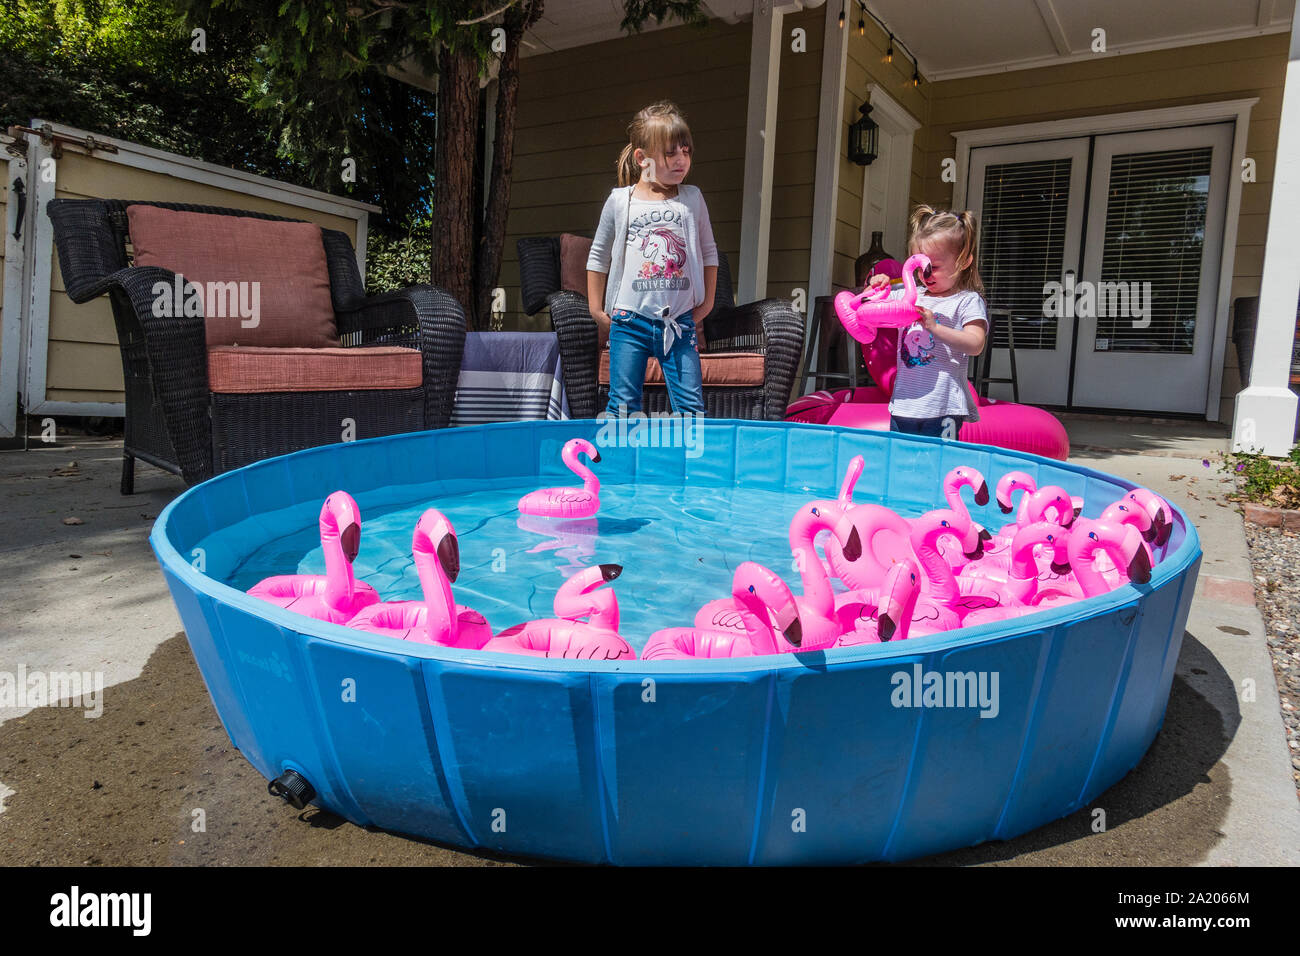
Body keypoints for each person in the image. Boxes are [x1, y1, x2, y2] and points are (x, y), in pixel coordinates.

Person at [586, 101, 717, 417]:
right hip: (629, 322)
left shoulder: (692, 198)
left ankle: (683, 466)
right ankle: (622, 466)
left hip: (679, 324)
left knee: (690, 407)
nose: (681, 160)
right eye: (671, 153)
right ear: (642, 158)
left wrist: (707, 302)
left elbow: (709, 250)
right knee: (623, 406)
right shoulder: (621, 201)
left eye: (686, 151)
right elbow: (599, 255)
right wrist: (596, 309)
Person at [864, 205, 988, 438]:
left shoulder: (966, 301)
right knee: (903, 464)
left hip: (944, 407)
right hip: (904, 404)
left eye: (934, 268)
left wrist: (935, 327)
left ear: (964, 261)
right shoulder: (910, 295)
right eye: (920, 268)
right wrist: (877, 285)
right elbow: (871, 307)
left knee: (937, 466)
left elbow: (975, 344)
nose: (925, 275)